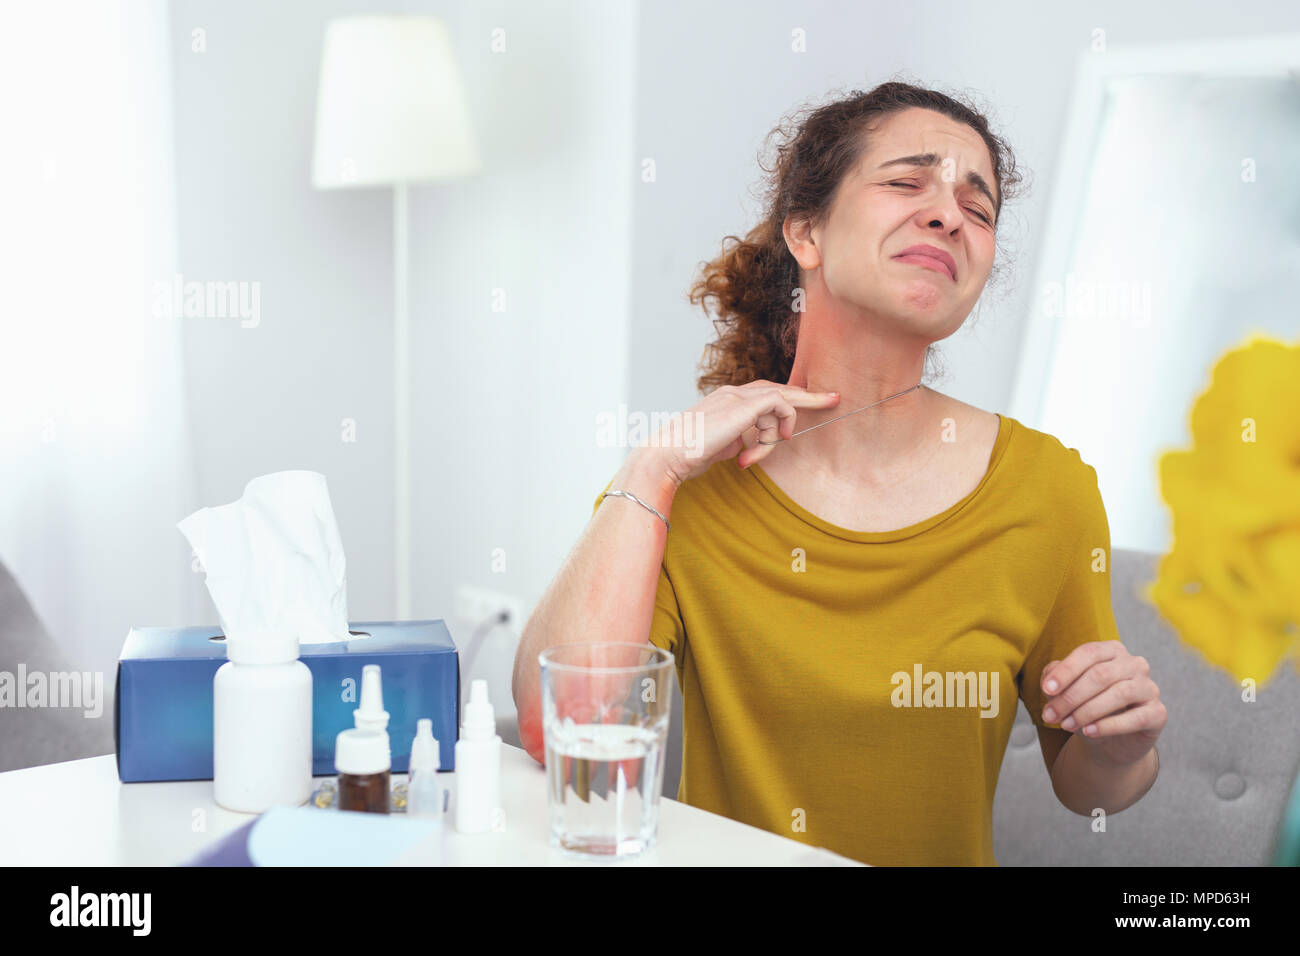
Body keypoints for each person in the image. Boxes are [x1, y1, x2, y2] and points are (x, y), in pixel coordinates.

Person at [512, 81, 1164, 866]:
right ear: (806, 233)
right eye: (905, 181)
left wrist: (1123, 748)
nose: (948, 214)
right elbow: (562, 730)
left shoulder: (1047, 490)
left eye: (978, 208)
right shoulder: (692, 485)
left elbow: (1087, 785)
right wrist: (652, 468)